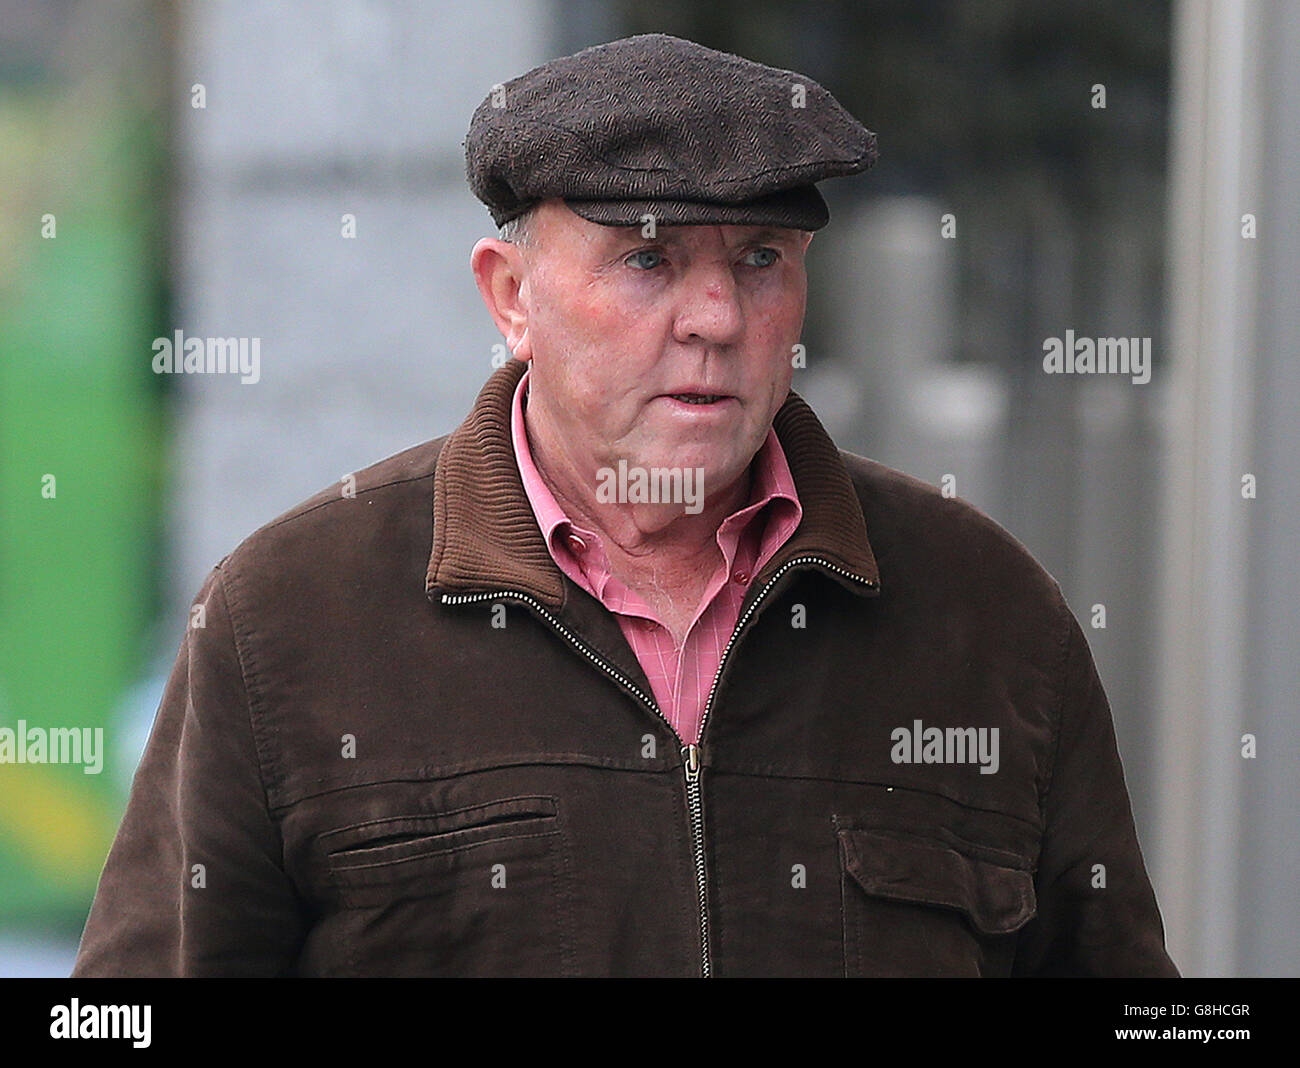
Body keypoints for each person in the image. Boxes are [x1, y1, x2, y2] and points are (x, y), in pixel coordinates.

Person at [72, 33, 1177, 977]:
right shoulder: (287, 623)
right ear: (510, 299)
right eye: (647, 258)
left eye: (759, 258)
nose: (714, 316)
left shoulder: (983, 614)